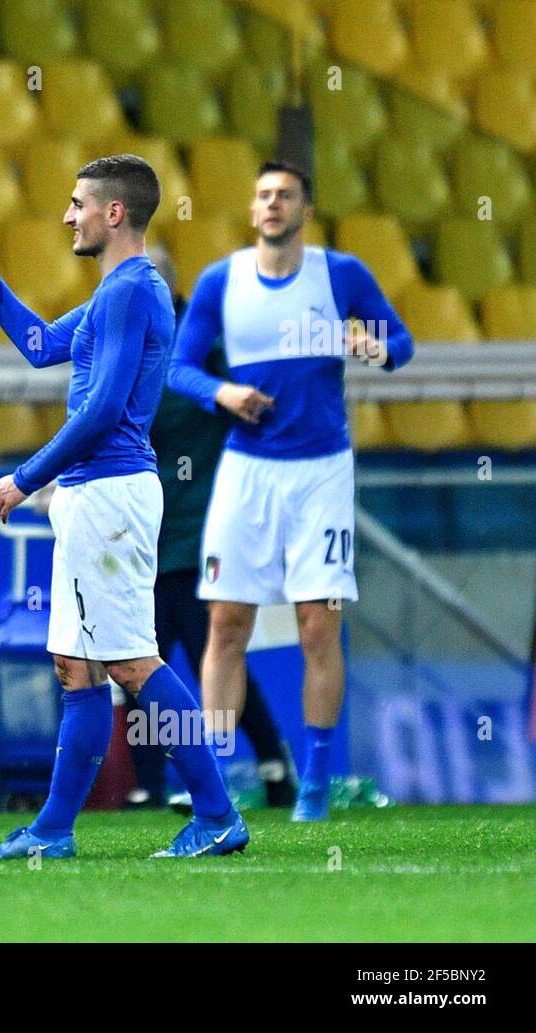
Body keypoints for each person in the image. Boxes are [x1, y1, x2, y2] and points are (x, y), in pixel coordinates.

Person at [0, 155, 249, 859]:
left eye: (77, 204)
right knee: (77, 667)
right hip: (91, 495)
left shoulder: (133, 292)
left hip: (110, 494)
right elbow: (42, 346)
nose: (68, 215)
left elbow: (104, 408)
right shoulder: (118, 292)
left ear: (113, 213)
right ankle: (53, 828)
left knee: (134, 663)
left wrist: (25, 475)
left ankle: (219, 814)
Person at [168, 160, 413, 821]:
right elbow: (178, 366)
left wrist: (374, 346)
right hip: (247, 470)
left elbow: (403, 343)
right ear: (252, 211)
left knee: (317, 625)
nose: (272, 204)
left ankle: (315, 780)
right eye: (263, 195)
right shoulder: (223, 281)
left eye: (285, 196)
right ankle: (213, 781)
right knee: (226, 622)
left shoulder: (341, 275)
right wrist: (224, 392)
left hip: (321, 471)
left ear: (305, 213)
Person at [130, 245, 297, 810]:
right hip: (146, 534)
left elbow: (262, 405)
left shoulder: (204, 354)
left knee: (205, 648)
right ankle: (148, 782)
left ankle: (271, 764)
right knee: (141, 658)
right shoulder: (129, 349)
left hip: (203, 525)